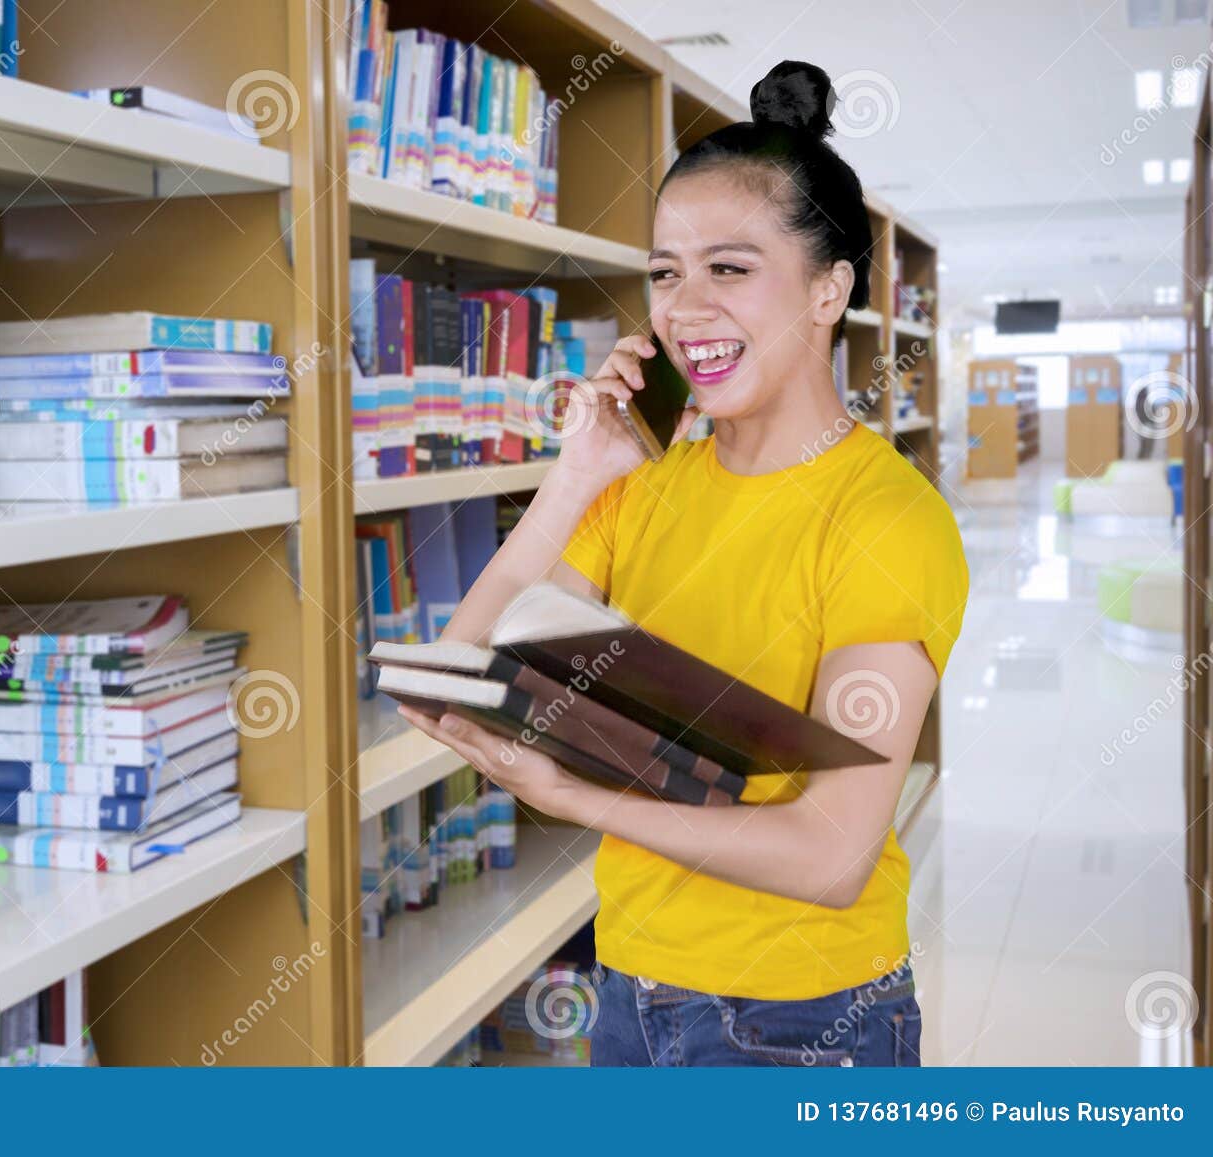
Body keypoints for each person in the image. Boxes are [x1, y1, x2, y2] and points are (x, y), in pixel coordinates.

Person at [398, 60, 970, 1067]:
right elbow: (460, 673)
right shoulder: (643, 491)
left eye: (731, 268)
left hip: (800, 1017)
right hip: (632, 989)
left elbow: (833, 854)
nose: (684, 308)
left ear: (829, 289)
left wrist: (574, 796)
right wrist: (575, 477)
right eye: (665, 272)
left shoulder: (885, 517)